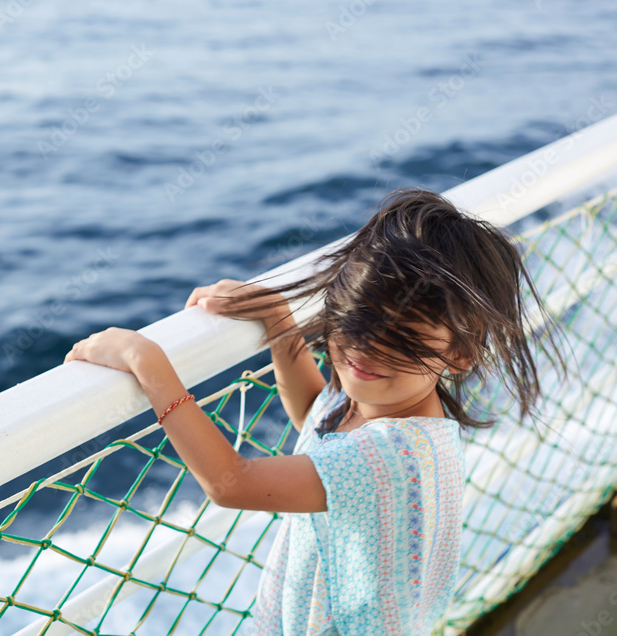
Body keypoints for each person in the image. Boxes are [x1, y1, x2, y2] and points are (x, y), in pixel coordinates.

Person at [62, 187, 564, 635]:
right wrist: (278, 319)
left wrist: (147, 362)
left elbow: (231, 483)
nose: (366, 347)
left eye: (402, 337)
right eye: (357, 317)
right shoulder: (376, 409)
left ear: (461, 354)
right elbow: (312, 414)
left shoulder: (392, 455)